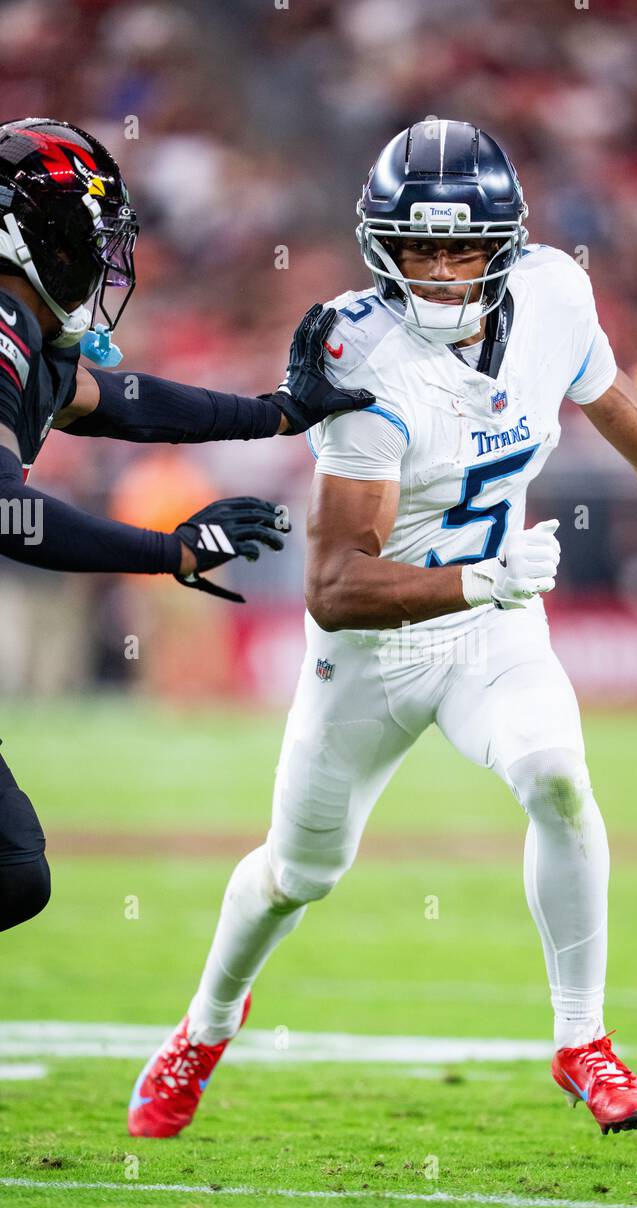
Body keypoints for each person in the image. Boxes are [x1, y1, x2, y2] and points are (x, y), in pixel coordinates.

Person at [129, 120, 637, 1141]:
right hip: (375, 652)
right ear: (382, 245)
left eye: (462, 247)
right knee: (298, 873)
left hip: (492, 629)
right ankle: (202, 1026)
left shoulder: (553, 296)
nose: (441, 271)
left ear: (504, 245)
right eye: (418, 247)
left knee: (554, 773)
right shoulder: (359, 357)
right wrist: (479, 577)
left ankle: (580, 1038)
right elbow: (333, 584)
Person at [0, 117, 372, 933]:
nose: (98, 260)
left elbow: (124, 403)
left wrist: (276, 415)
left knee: (13, 871)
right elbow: (6, 511)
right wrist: (171, 549)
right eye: (79, 236)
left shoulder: (22, 331)